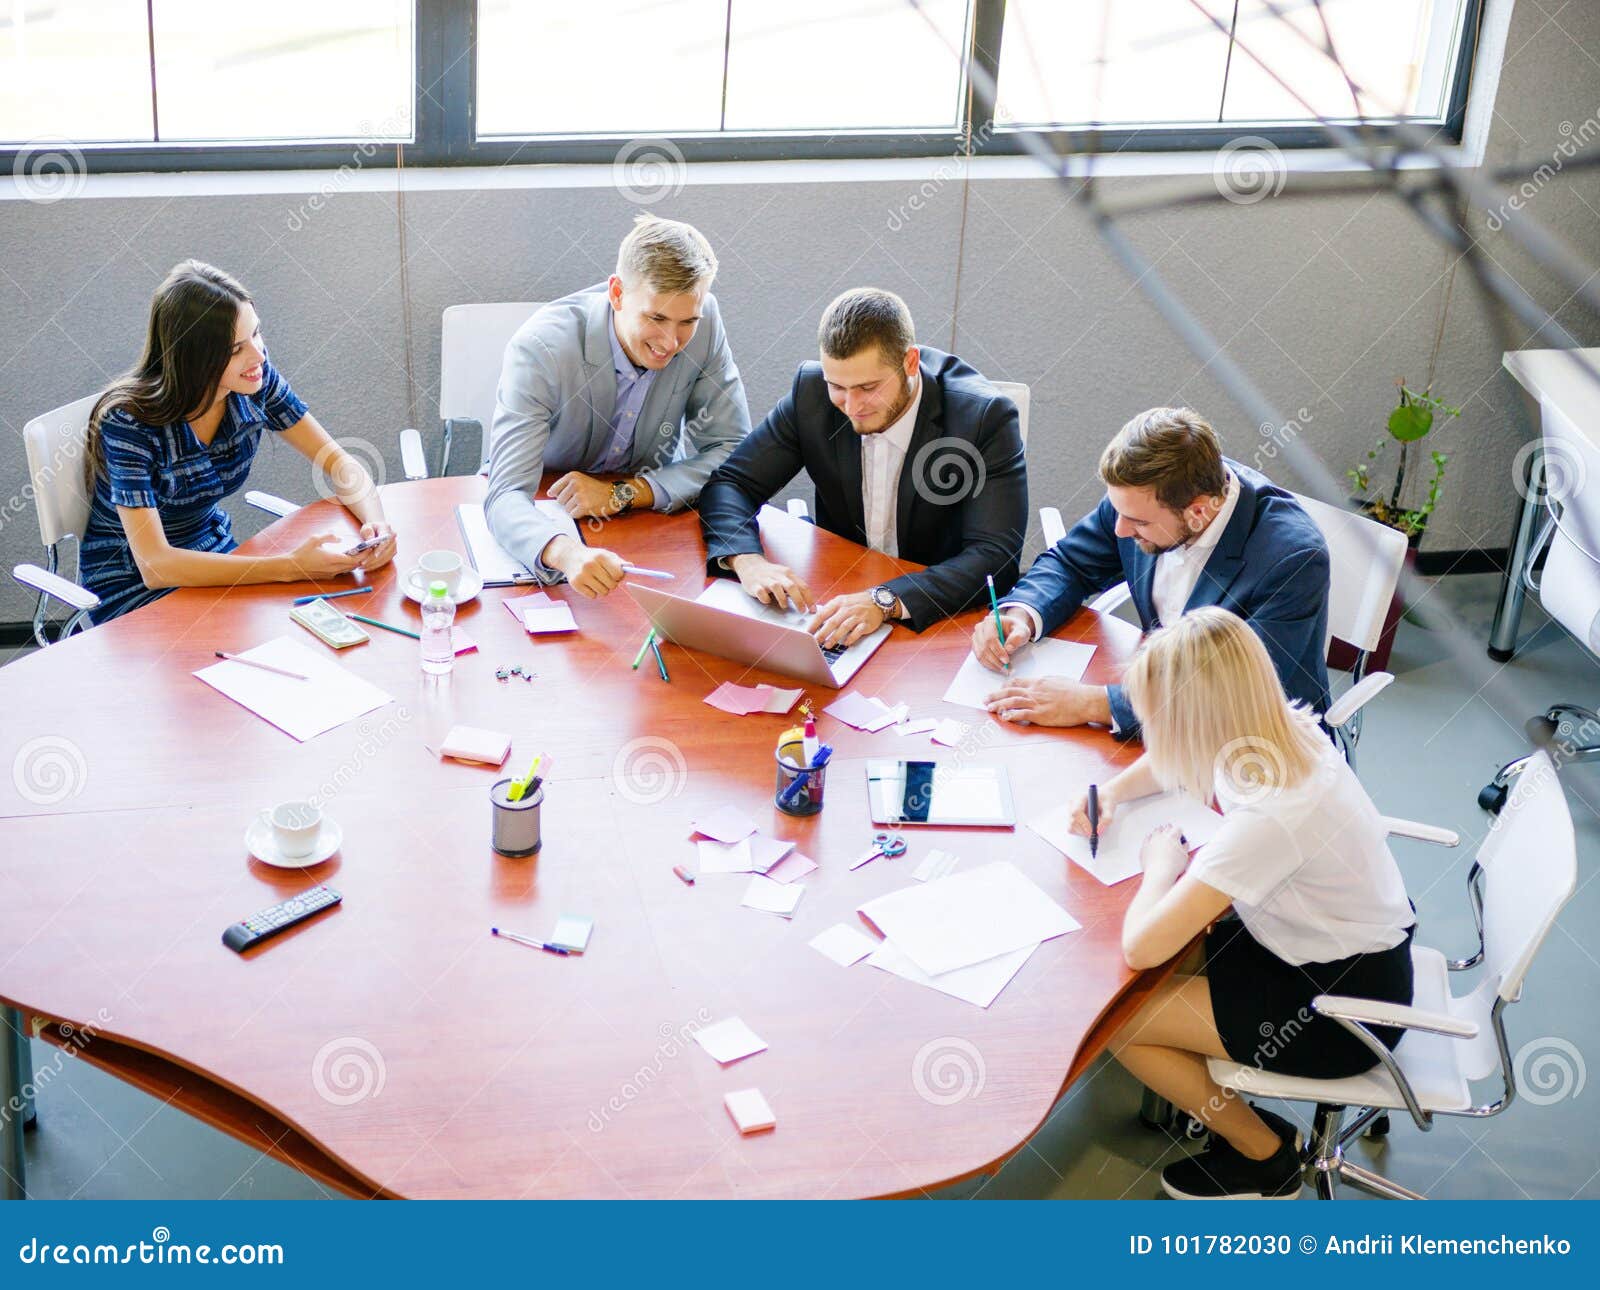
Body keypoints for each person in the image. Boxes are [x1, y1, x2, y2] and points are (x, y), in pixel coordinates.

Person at [1067, 607, 1416, 1200]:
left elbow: (1141, 942)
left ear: (1191, 720)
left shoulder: (1272, 817)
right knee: (1156, 975)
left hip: (1343, 1007)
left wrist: (1162, 869)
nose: (1149, 732)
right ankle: (1215, 1097)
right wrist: (1113, 792)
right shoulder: (1276, 727)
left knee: (1116, 1024)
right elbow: (1178, 757)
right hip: (1328, 945)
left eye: (1156, 719)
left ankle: (1264, 1156)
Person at [971, 406, 1329, 736]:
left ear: (1198, 512)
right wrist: (1022, 615)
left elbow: (1231, 693)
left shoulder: (1293, 560)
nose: (1120, 531)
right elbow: (1071, 563)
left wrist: (1092, 703)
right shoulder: (1141, 497)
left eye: (1138, 522)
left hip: (1257, 747)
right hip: (1157, 707)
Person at [698, 288, 1027, 645]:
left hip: (935, 618)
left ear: (911, 362)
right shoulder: (810, 394)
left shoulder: (983, 418)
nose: (851, 406)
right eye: (837, 386)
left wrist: (884, 600)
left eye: (868, 387)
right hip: (837, 595)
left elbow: (996, 557)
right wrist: (747, 561)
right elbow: (732, 483)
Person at [80, 261, 396, 624]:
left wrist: (377, 527)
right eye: (235, 349)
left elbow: (340, 465)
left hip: (216, 555)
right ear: (193, 359)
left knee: (317, 624)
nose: (258, 356)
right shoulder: (130, 423)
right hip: (133, 585)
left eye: (257, 334)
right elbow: (155, 565)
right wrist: (289, 567)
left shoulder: (255, 381)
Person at [484, 214, 752, 599]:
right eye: (655, 317)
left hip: (650, 516)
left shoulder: (706, 323)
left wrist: (625, 493)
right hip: (551, 516)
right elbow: (505, 493)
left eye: (686, 322)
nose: (671, 341)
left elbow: (733, 451)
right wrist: (567, 553)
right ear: (617, 294)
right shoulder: (540, 348)